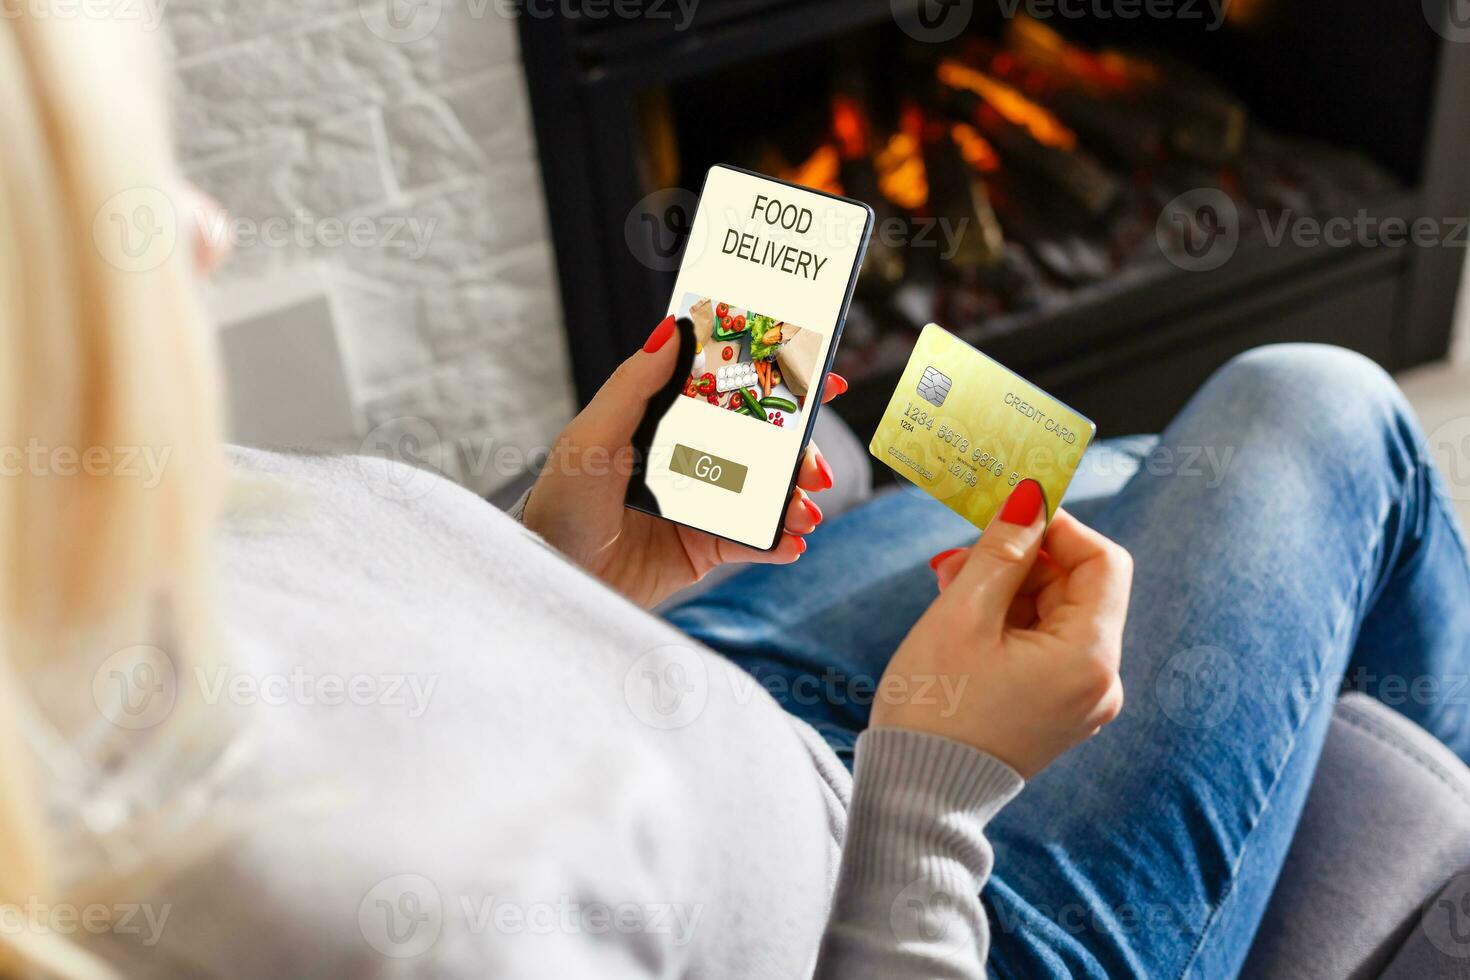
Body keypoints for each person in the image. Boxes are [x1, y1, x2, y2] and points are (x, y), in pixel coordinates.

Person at [4, 10, 1468, 979]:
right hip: (938, 902)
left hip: (702, 696)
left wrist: (557, 564)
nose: (199, 232)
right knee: (1313, 406)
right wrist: (936, 787)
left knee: (1073, 473)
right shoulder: (287, 917)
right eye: (93, 205)